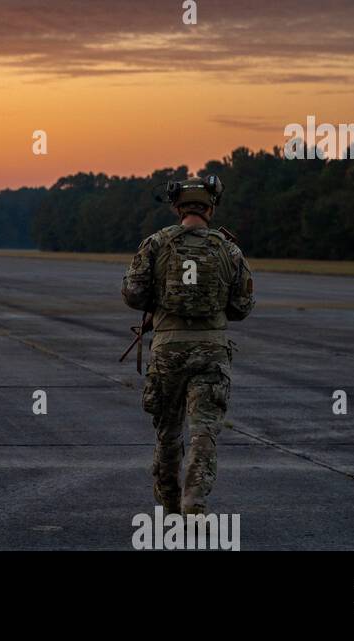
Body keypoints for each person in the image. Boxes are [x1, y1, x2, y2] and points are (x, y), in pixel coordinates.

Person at [121, 176, 255, 515]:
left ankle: (168, 502)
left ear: (177, 207)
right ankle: (194, 506)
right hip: (210, 351)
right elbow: (242, 307)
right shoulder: (229, 249)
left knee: (167, 431)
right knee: (204, 431)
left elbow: (132, 295)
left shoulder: (155, 243)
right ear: (211, 207)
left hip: (167, 350)